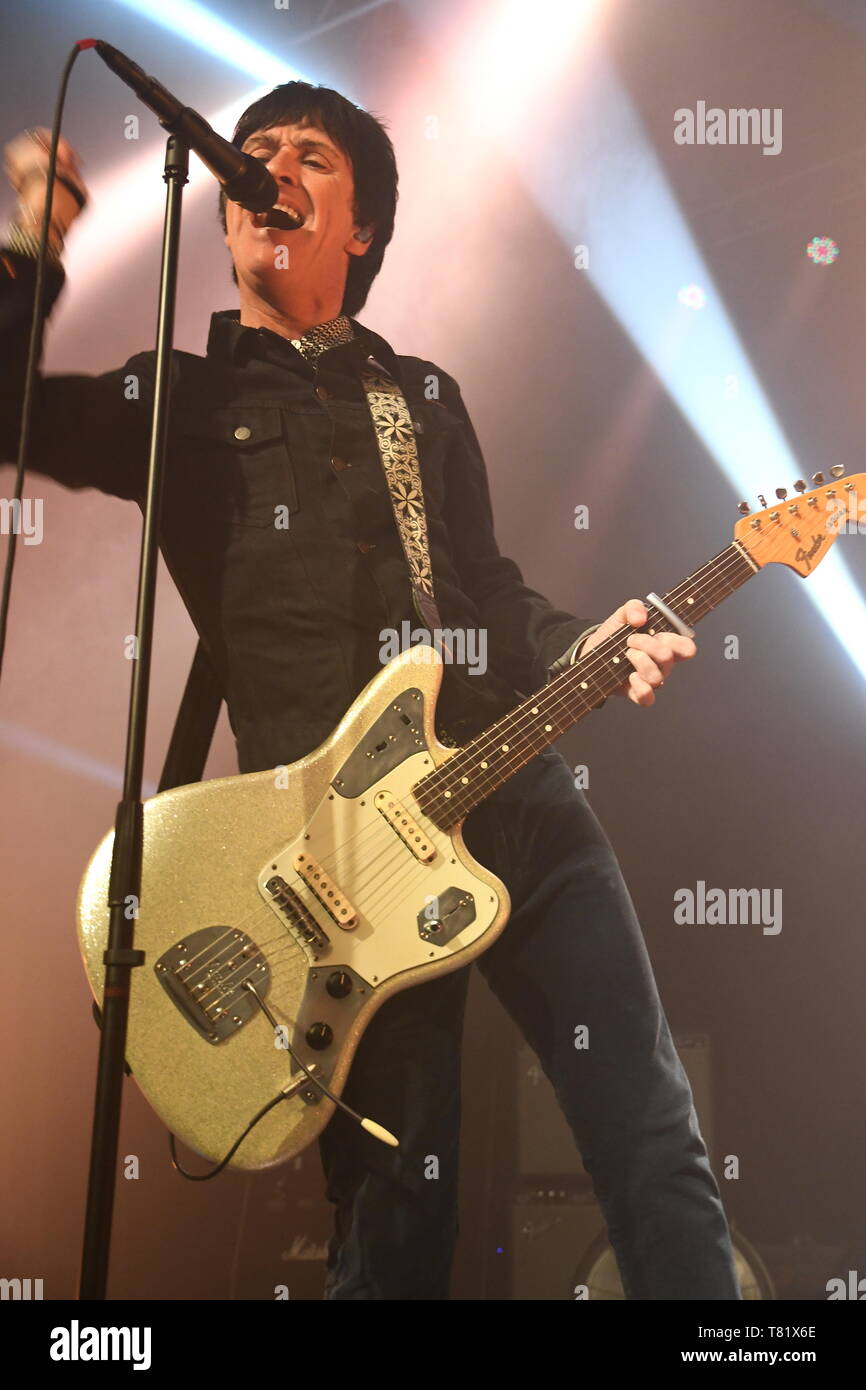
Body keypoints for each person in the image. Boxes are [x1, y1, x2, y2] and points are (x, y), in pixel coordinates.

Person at [0, 81, 740, 1300]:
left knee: (649, 1134)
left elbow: (489, 599)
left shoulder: (422, 397)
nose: (270, 167)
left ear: (360, 230)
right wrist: (38, 235)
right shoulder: (182, 401)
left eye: (308, 156)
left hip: (510, 786)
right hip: (332, 861)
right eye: (255, 153)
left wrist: (580, 642)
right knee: (402, 1206)